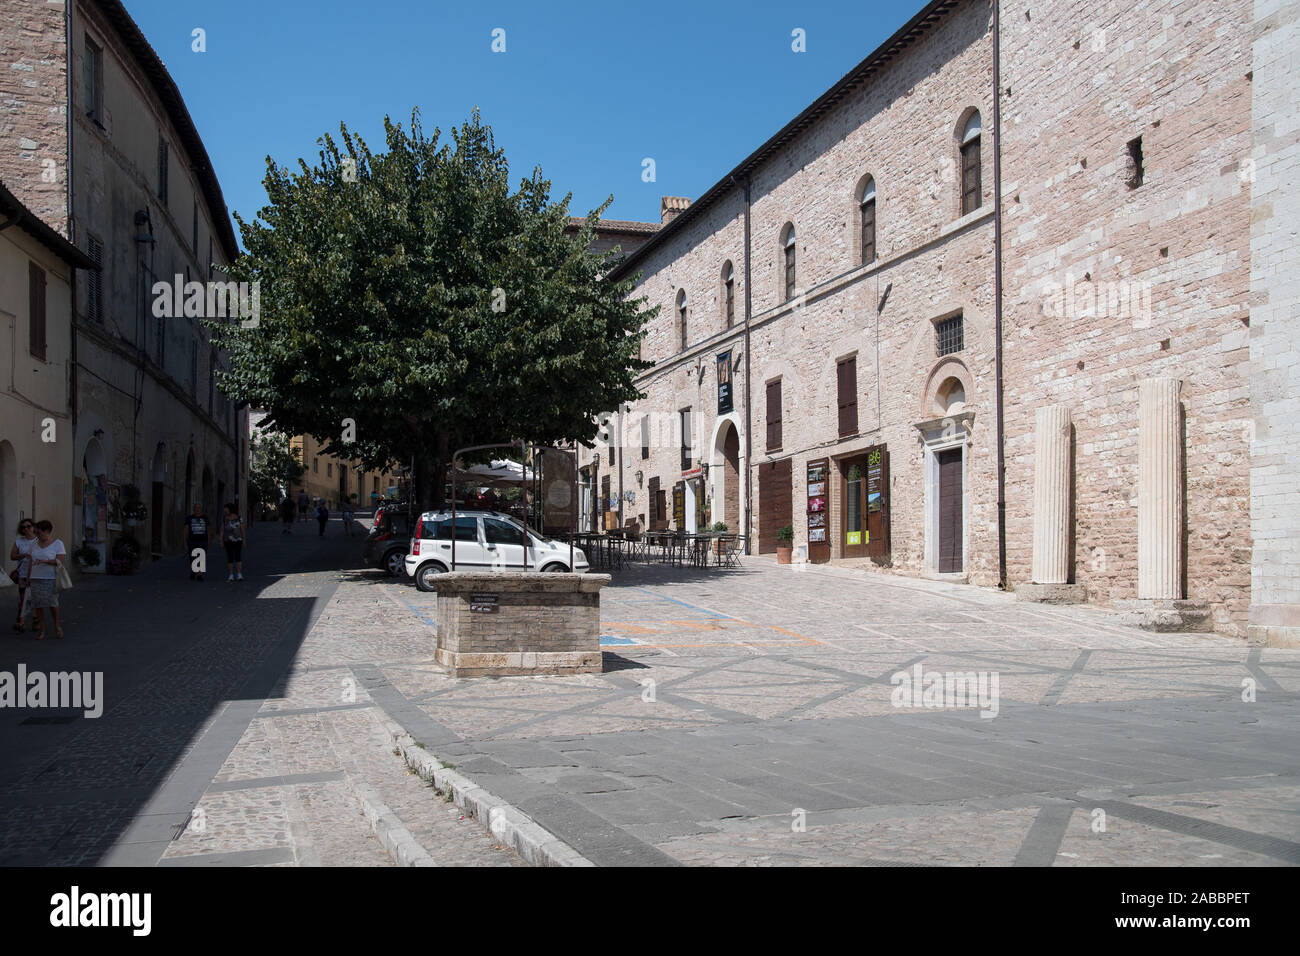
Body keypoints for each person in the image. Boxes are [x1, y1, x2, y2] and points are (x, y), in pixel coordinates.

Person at [27, 520, 65, 640]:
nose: (37, 535)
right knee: (38, 605)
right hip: (35, 577)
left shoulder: (57, 544)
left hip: (50, 578)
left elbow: (60, 561)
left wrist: (45, 561)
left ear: (47, 531)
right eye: (36, 533)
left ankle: (56, 625)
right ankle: (42, 629)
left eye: (39, 532)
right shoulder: (34, 544)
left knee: (52, 603)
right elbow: (30, 562)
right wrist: (28, 577)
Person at [9, 518, 36, 634]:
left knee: (35, 599)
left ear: (33, 527)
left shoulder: (38, 541)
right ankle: (21, 621)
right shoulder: (19, 541)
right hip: (23, 574)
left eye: (28, 526)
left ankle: (36, 620)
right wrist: (23, 555)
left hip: (36, 575)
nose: (26, 529)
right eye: (23, 527)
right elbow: (13, 556)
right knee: (23, 598)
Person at [185, 502, 212, 581]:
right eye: (196, 508)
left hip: (203, 540)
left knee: (201, 557)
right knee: (192, 557)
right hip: (192, 541)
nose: (197, 509)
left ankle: (200, 575)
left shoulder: (205, 518)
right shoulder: (189, 518)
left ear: (201, 509)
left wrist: (209, 540)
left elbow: (208, 530)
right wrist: (185, 541)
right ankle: (194, 571)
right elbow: (186, 530)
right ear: (194, 509)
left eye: (199, 508)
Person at [221, 502, 246, 582]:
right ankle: (231, 575)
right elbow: (222, 529)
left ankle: (239, 574)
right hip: (228, 540)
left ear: (230, 509)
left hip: (238, 540)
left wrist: (244, 539)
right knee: (230, 557)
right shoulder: (225, 518)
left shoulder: (238, 518)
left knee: (238, 557)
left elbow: (242, 529)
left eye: (226, 508)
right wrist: (221, 540)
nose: (225, 510)